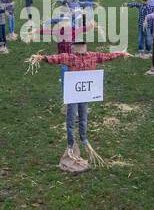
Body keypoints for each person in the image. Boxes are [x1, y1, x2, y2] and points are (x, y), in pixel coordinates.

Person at [27, 42, 131, 172]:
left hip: (79, 94)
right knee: (80, 118)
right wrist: (120, 54)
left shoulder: (71, 57)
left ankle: (77, 143)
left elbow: (56, 58)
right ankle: (77, 143)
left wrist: (42, 58)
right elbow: (107, 56)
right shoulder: (89, 56)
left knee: (74, 119)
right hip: (80, 94)